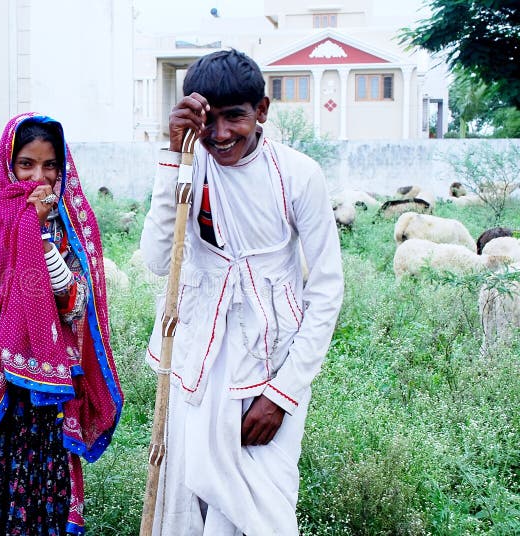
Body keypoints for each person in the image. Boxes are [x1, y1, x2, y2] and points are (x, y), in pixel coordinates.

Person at [140, 49, 344, 535]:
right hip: (197, 362)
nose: (222, 134)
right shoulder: (192, 165)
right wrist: (173, 156)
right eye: (210, 119)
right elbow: (155, 258)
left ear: (262, 112)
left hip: (270, 363)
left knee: (266, 513)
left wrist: (283, 394)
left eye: (236, 117)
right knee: (193, 502)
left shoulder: (299, 175)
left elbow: (327, 289)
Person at [0, 113, 124, 535]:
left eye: (50, 165)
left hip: (48, 414)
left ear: (63, 168)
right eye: (26, 164)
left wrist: (35, 233)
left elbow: (74, 306)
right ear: (8, 165)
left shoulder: (74, 234)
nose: (39, 176)